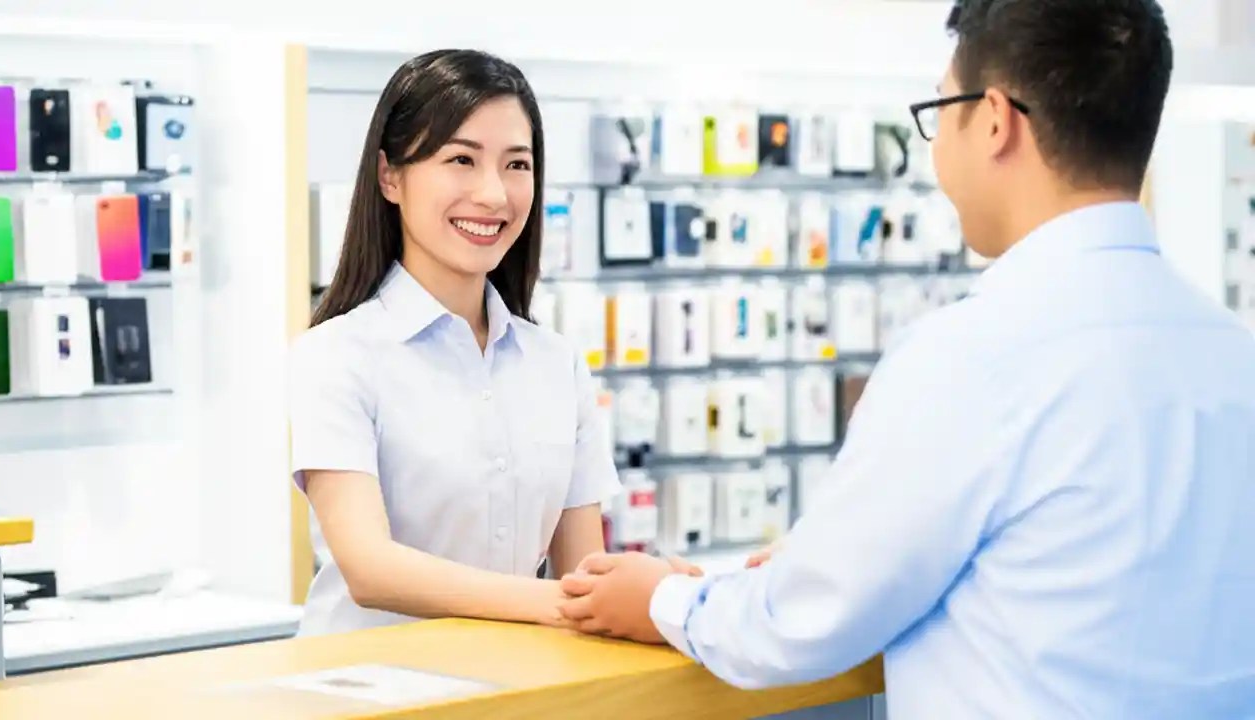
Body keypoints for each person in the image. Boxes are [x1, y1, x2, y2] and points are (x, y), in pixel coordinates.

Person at [558, 1, 1255, 718]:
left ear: (993, 120)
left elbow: (800, 623)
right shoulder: (1233, 354)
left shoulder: (972, 357)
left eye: (939, 110)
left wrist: (661, 598)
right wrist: (834, 553)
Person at [287, 49, 622, 637]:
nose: (493, 194)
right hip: (367, 692)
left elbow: (583, 569)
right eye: (461, 159)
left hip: (518, 687)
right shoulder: (335, 355)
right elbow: (370, 569)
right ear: (390, 175)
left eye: (517, 165)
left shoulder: (556, 365)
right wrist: (558, 604)